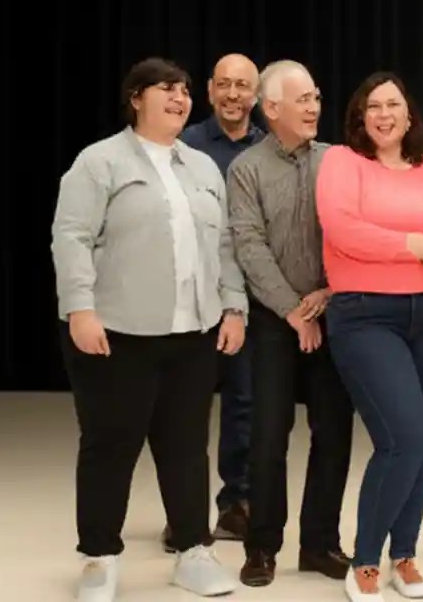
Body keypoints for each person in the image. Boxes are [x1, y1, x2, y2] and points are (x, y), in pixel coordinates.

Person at [51, 57, 247, 601]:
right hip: (117, 332)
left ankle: (193, 551)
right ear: (136, 98)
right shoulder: (99, 162)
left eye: (185, 91)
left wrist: (234, 308)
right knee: (110, 446)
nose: (180, 98)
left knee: (186, 447)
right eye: (166, 89)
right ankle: (98, 557)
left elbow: (225, 246)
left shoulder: (202, 167)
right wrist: (80, 309)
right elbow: (70, 237)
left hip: (193, 332)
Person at [318, 71, 423, 601]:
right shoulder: (341, 161)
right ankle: (364, 560)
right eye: (372, 106)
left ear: (410, 115)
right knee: (401, 435)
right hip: (365, 316)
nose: (383, 114)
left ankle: (404, 553)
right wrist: (414, 245)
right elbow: (343, 229)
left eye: (393, 105)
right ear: (360, 118)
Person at [227, 60, 354, 587]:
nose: (314, 107)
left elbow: (354, 232)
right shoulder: (246, 169)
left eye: (317, 97)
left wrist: (325, 296)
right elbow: (248, 246)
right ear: (270, 107)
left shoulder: (341, 160)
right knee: (268, 434)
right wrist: (291, 310)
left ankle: (320, 544)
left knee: (334, 432)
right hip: (274, 322)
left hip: (336, 312)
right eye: (302, 99)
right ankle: (262, 547)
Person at [160, 52, 263, 550]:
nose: (233, 95)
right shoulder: (184, 145)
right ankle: (185, 511)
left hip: (252, 304)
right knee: (186, 409)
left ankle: (235, 503)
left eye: (243, 86)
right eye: (224, 84)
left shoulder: (267, 149)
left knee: (244, 404)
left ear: (257, 95)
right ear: (209, 90)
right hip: (194, 300)